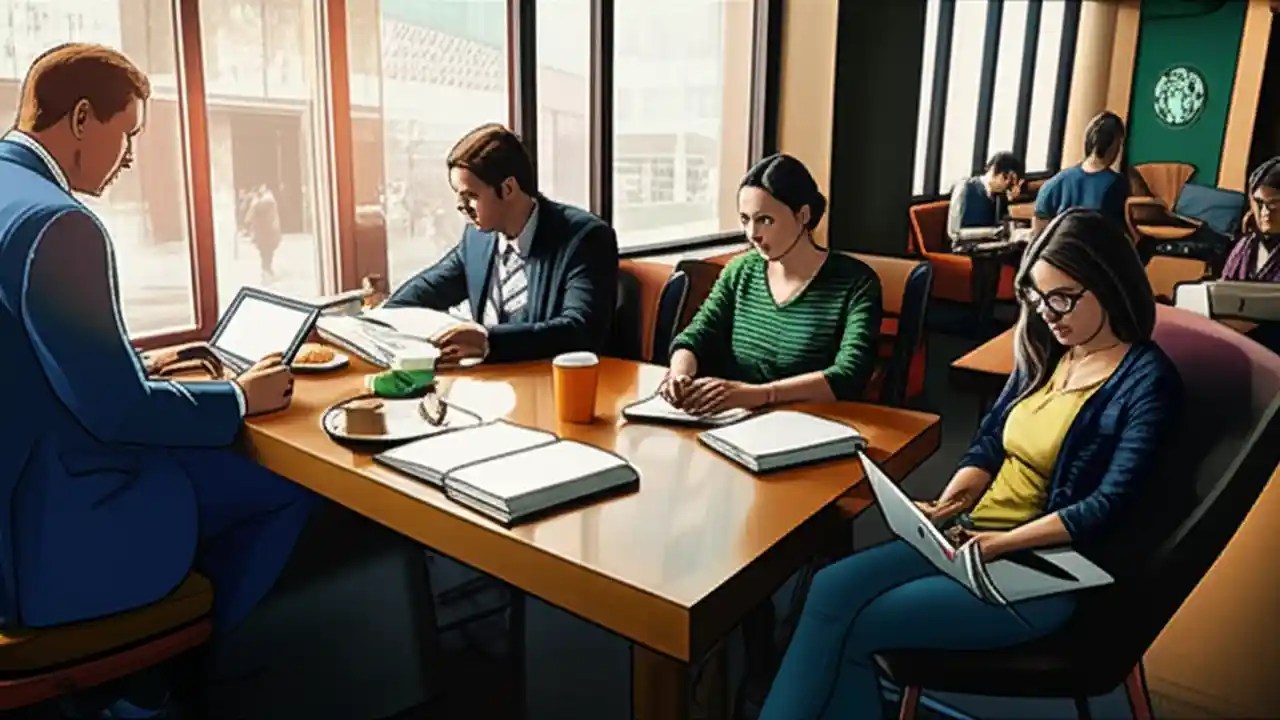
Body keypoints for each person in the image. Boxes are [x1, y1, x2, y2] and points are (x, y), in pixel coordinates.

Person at [758, 208, 1184, 720]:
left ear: (1109, 284)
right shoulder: (1050, 350)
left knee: (861, 624)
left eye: (1062, 298)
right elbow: (988, 443)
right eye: (1038, 297)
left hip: (1038, 574)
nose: (1047, 313)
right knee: (829, 589)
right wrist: (949, 504)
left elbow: (1106, 506)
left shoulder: (1146, 381)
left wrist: (1000, 543)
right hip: (969, 538)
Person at [0, 43, 313, 718]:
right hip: (49, 523)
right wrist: (240, 396)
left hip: (14, 482)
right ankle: (160, 681)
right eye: (128, 135)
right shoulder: (58, 224)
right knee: (286, 491)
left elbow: (34, 359)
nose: (130, 158)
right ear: (82, 119)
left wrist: (134, 366)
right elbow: (118, 414)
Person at [662, 153, 882, 415]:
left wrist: (761, 395)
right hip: (736, 417)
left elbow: (850, 375)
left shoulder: (857, 283)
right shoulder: (740, 270)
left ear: (803, 215)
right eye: (745, 219)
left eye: (765, 220)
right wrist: (680, 375)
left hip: (813, 420)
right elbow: (697, 335)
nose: (752, 234)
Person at [382, 123, 619, 363]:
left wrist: (487, 341)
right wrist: (381, 319)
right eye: (458, 195)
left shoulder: (586, 238)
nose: (460, 206)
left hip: (550, 378)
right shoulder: (478, 238)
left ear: (508, 188)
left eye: (471, 196)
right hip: (490, 379)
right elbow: (428, 288)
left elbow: (581, 330)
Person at [948, 151, 1028, 332]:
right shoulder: (966, 187)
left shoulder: (998, 196)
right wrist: (993, 232)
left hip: (991, 244)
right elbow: (954, 233)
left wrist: (1011, 204)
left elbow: (1004, 224)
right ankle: (981, 319)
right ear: (997, 173)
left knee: (1022, 253)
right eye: (1007, 181)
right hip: (966, 245)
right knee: (990, 260)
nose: (1007, 186)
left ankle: (1016, 316)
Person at [1033, 111, 1129, 234]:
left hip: (1058, 245)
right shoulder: (1117, 185)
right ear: (1114, 145)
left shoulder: (1055, 182)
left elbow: (1039, 227)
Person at [1221, 157, 1280, 282]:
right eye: (1259, 203)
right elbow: (1225, 287)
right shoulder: (1245, 247)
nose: (1265, 212)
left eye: (1274, 204)